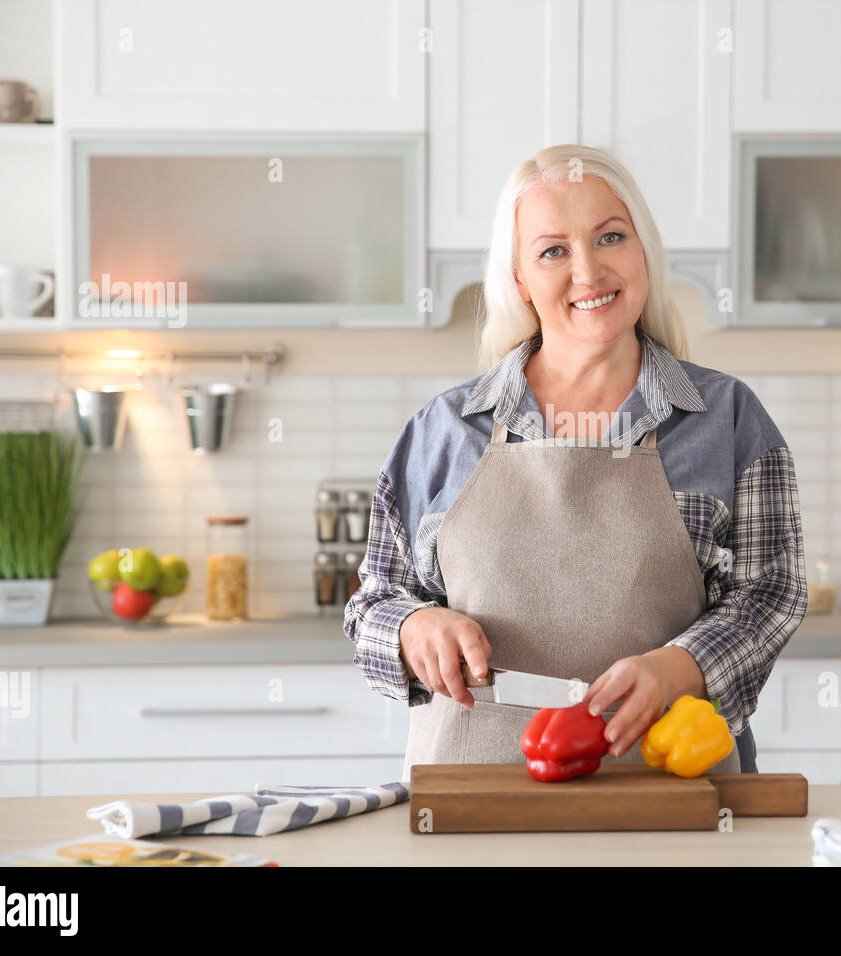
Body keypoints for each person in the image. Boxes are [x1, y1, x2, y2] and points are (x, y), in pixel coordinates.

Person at [344, 145, 807, 781]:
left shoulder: (726, 417)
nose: (588, 272)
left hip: (674, 799)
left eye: (610, 237)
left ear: (643, 252)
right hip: (471, 802)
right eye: (553, 250)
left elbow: (771, 594)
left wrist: (680, 668)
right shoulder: (442, 431)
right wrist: (414, 627)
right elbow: (373, 602)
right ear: (518, 280)